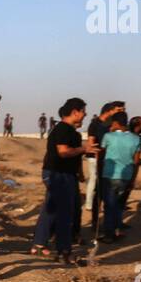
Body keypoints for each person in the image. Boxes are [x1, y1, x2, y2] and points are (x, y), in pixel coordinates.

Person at [31, 98, 96, 263]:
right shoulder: (62, 129)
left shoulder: (70, 131)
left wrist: (79, 172)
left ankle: (39, 245)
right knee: (64, 214)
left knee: (51, 210)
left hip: (65, 174)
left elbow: (72, 155)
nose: (85, 114)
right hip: (58, 174)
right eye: (83, 111)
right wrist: (84, 148)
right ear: (75, 112)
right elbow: (63, 152)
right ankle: (64, 252)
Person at [98, 112, 141, 242]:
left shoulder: (108, 136)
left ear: (115, 123)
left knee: (109, 206)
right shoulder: (136, 139)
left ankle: (108, 235)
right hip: (126, 176)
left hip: (109, 174)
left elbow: (101, 155)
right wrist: (132, 179)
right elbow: (136, 161)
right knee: (118, 204)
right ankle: (117, 229)